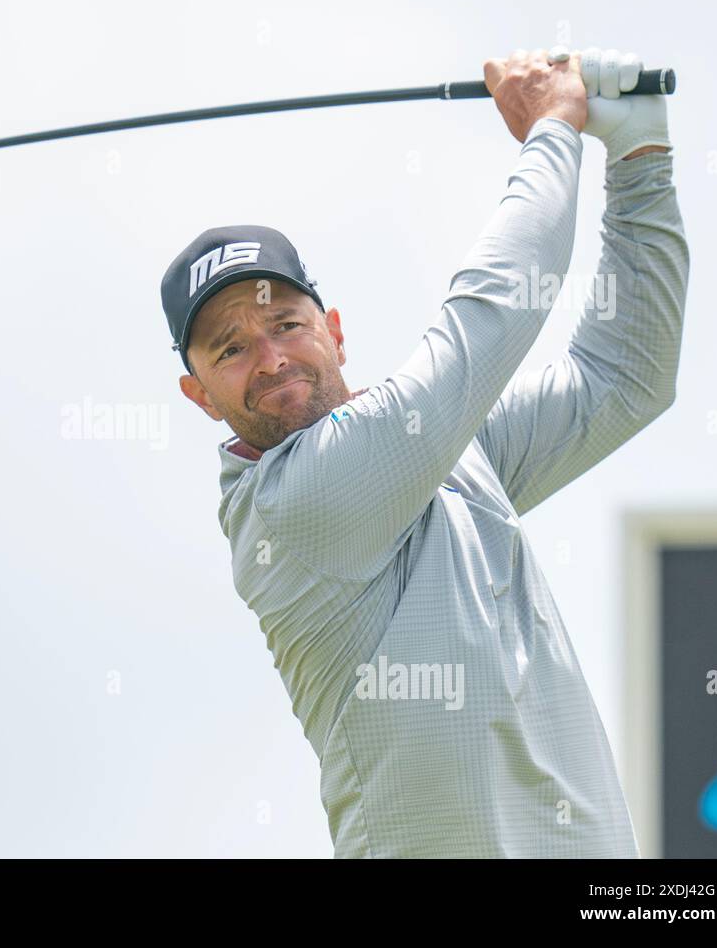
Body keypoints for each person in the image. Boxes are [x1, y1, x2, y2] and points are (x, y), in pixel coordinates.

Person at [158, 46, 688, 857]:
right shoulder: (292, 505)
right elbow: (492, 317)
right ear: (199, 396)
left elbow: (626, 378)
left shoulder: (440, 454)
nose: (270, 360)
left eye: (286, 325)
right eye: (229, 350)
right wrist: (552, 130)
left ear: (333, 332)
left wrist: (641, 159)